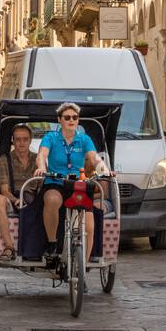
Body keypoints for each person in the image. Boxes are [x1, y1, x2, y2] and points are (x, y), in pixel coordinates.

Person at [35, 102, 112, 267]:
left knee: (89, 226)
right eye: (67, 117)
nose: (71, 120)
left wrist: (104, 170)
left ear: (78, 120)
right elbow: (42, 154)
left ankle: (82, 268)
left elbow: (94, 158)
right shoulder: (51, 137)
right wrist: (42, 167)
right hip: (55, 181)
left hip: (77, 185)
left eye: (75, 117)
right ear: (59, 120)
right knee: (52, 200)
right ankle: (52, 243)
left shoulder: (84, 139)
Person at [0, 124, 39, 262]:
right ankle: (9, 247)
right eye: (18, 139)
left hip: (33, 198)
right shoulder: (4, 160)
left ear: (30, 140)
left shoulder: (38, 160)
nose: (21, 143)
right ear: (13, 140)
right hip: (12, 197)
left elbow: (42, 186)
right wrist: (15, 200)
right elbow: (5, 190)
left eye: (25, 139)